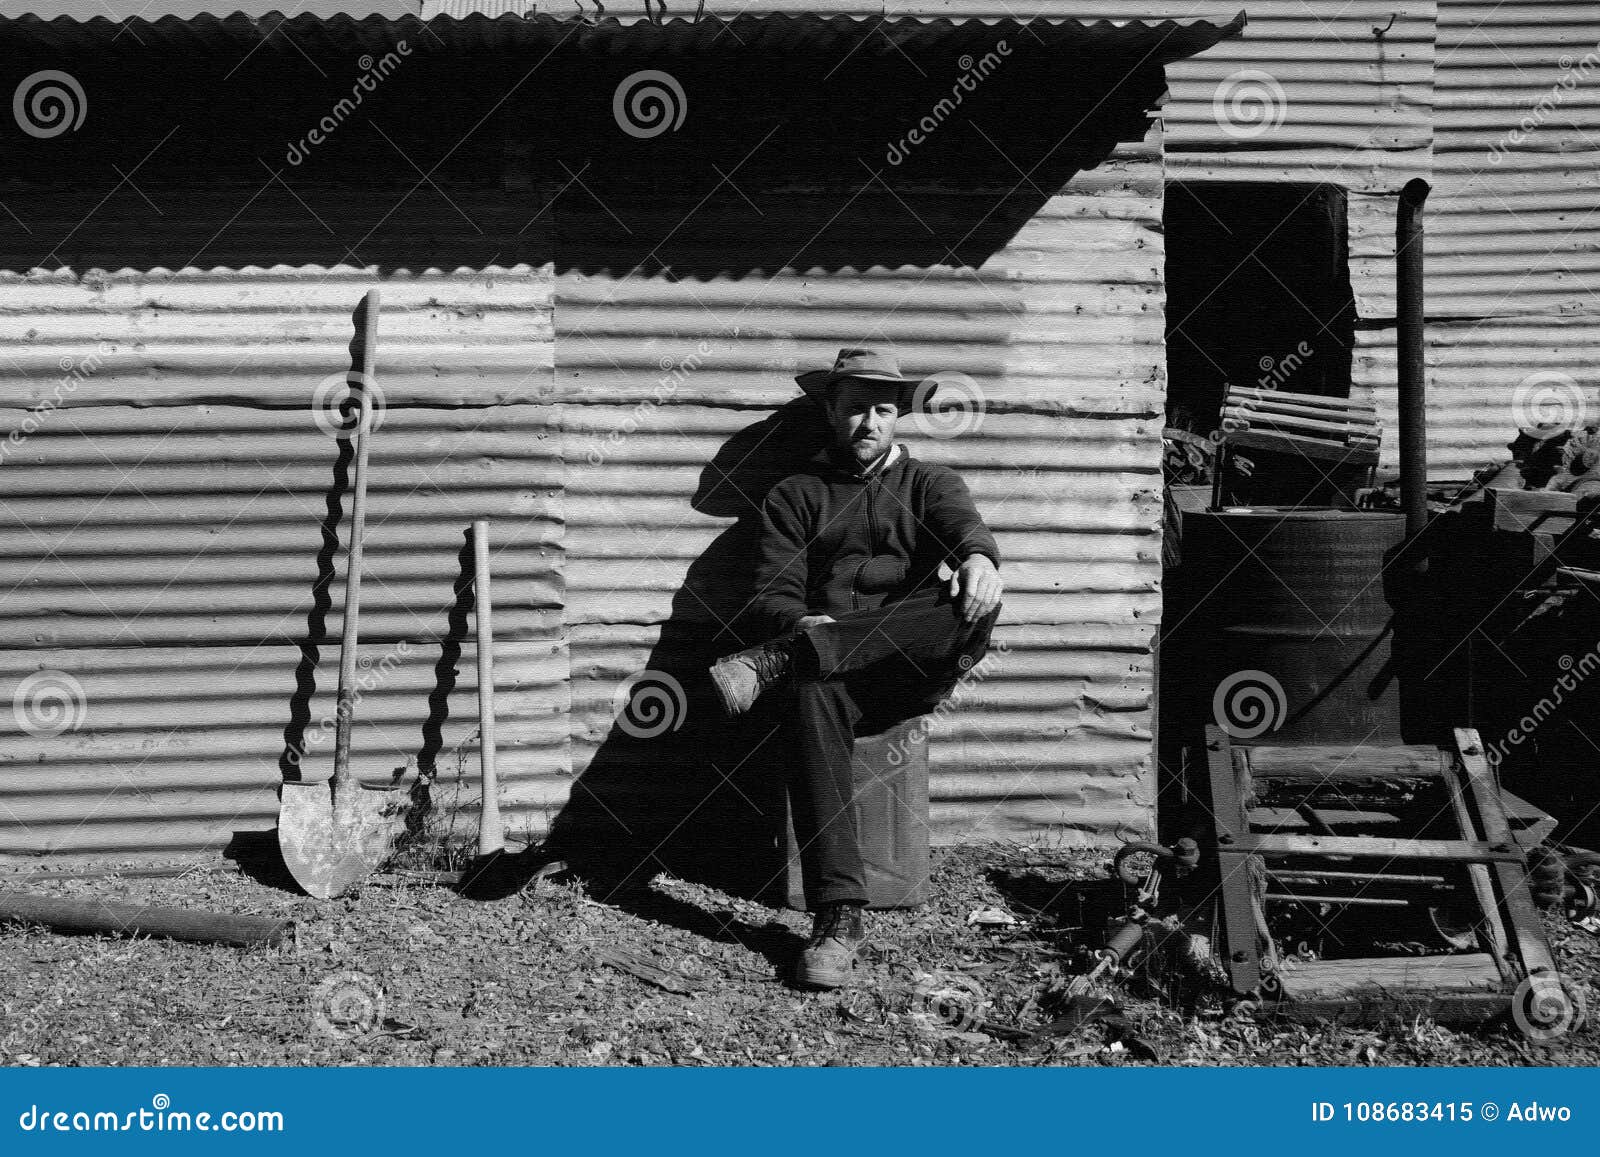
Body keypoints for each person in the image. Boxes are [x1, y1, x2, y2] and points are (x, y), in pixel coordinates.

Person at [709, 347, 1002, 989]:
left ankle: (794, 657)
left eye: (884, 409)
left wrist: (979, 560)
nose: (870, 423)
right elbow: (772, 591)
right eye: (855, 409)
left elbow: (965, 530)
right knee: (812, 689)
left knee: (968, 606)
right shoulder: (795, 494)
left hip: (912, 665)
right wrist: (798, 626)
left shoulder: (931, 483)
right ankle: (838, 919)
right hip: (829, 679)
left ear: (898, 417)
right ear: (830, 411)